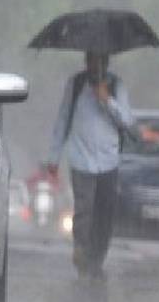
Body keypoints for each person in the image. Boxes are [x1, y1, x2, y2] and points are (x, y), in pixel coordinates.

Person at [44, 52, 135, 280]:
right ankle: (81, 251)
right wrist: (54, 157)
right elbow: (63, 119)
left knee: (104, 214)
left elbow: (127, 121)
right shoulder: (76, 85)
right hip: (80, 160)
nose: (95, 65)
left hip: (108, 161)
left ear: (106, 62)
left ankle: (96, 260)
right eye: (91, 60)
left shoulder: (116, 85)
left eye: (99, 60)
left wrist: (107, 100)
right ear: (86, 62)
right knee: (84, 211)